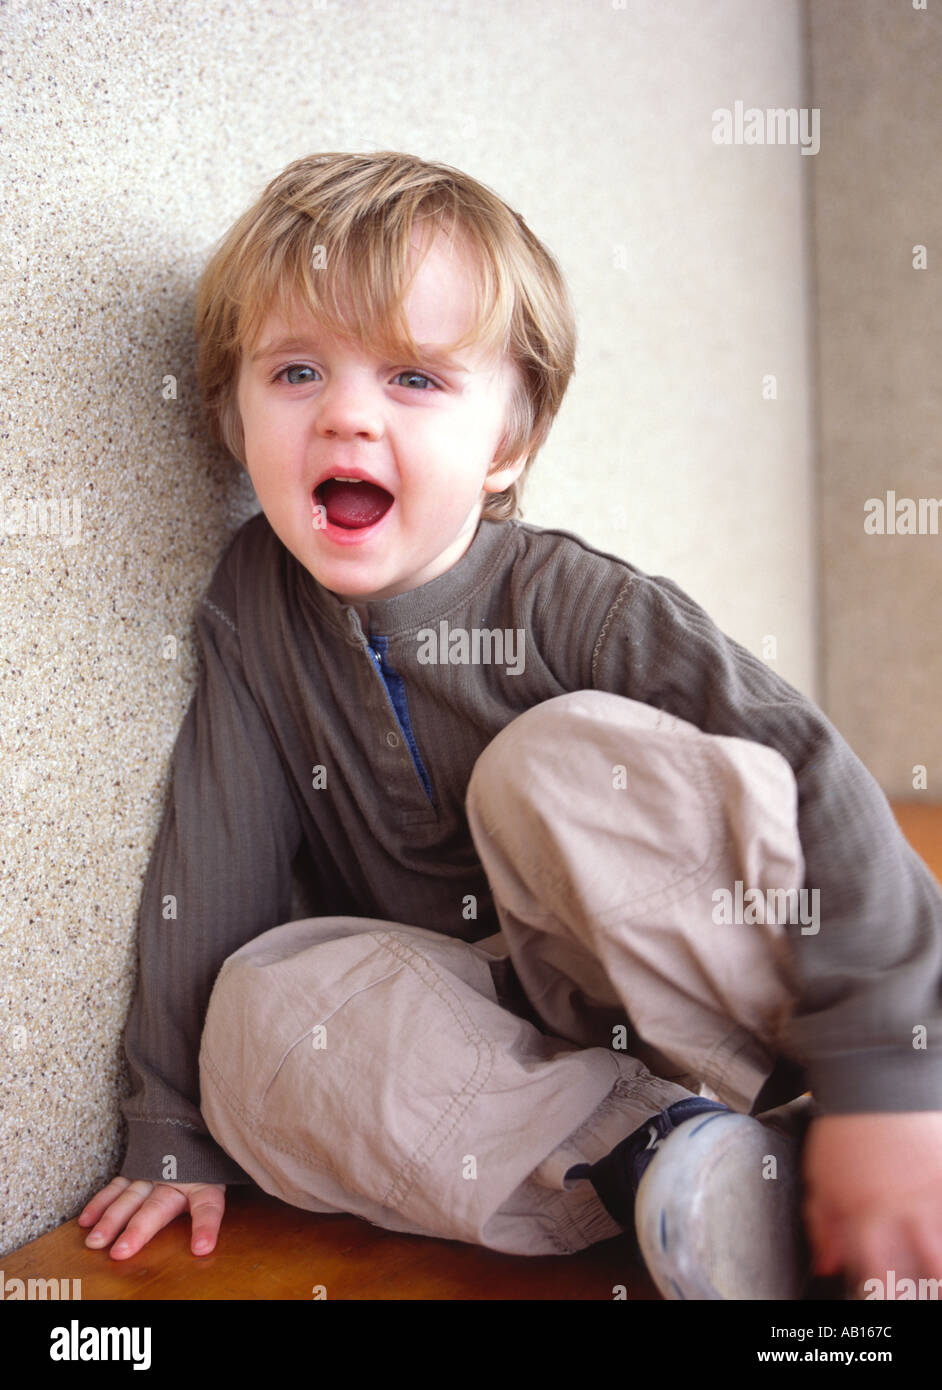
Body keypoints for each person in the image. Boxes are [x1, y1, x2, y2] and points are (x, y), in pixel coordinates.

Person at [78, 151, 942, 1299]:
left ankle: (873, 1119)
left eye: (415, 379)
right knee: (257, 1004)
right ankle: (676, 1164)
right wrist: (171, 1116)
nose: (344, 413)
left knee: (553, 767)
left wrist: (886, 1076)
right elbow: (214, 858)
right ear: (234, 422)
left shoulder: (571, 600)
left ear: (508, 446)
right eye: (295, 371)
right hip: (513, 1050)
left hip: (755, 1002)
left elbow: (810, 773)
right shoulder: (251, 604)